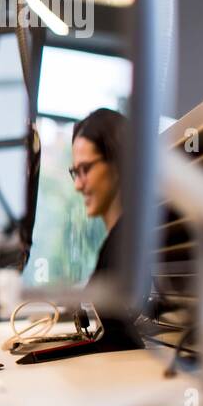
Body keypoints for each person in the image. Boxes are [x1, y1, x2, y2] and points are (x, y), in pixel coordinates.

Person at [70, 107, 127, 286]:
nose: (78, 185)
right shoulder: (114, 247)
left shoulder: (122, 251)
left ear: (116, 162)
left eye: (85, 169)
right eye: (75, 172)